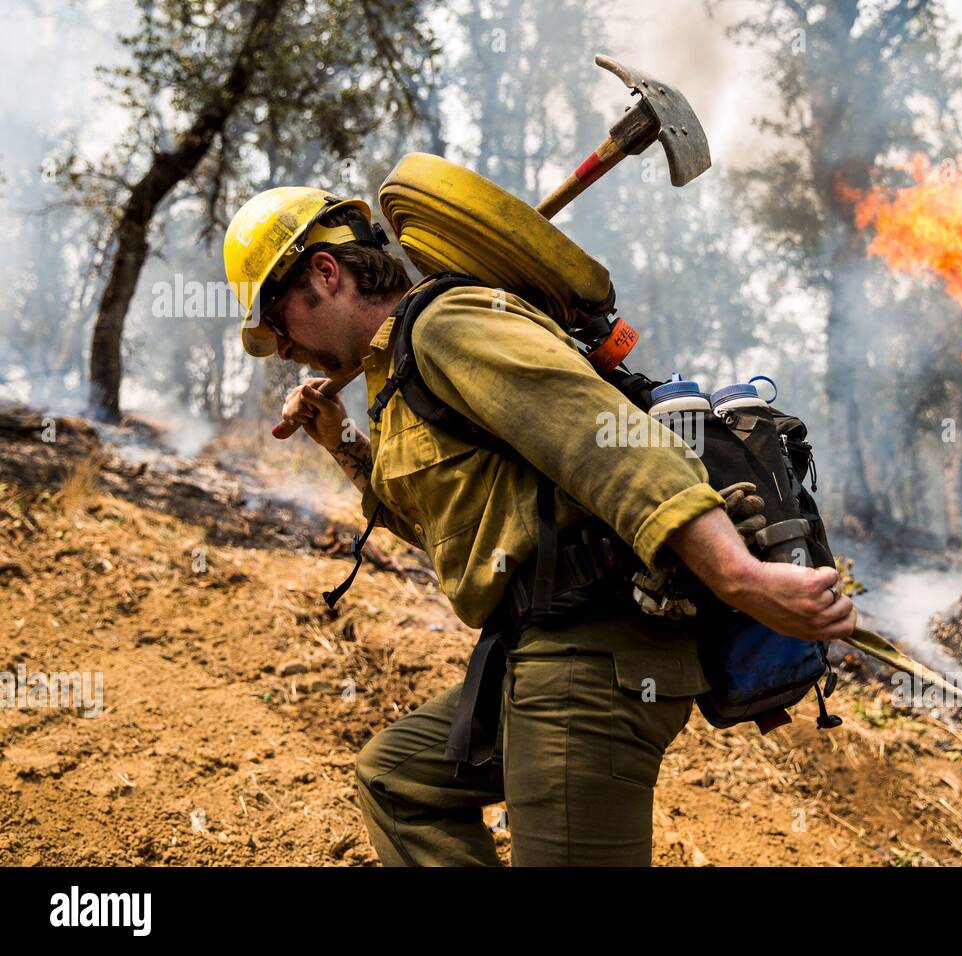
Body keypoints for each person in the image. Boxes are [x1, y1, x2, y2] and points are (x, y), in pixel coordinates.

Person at [223, 185, 856, 866]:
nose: (283, 349)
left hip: (590, 662)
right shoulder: (404, 374)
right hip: (536, 654)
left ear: (324, 272)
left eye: (275, 318)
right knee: (400, 780)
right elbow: (455, 531)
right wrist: (344, 442)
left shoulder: (447, 325)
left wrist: (740, 575)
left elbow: (611, 444)